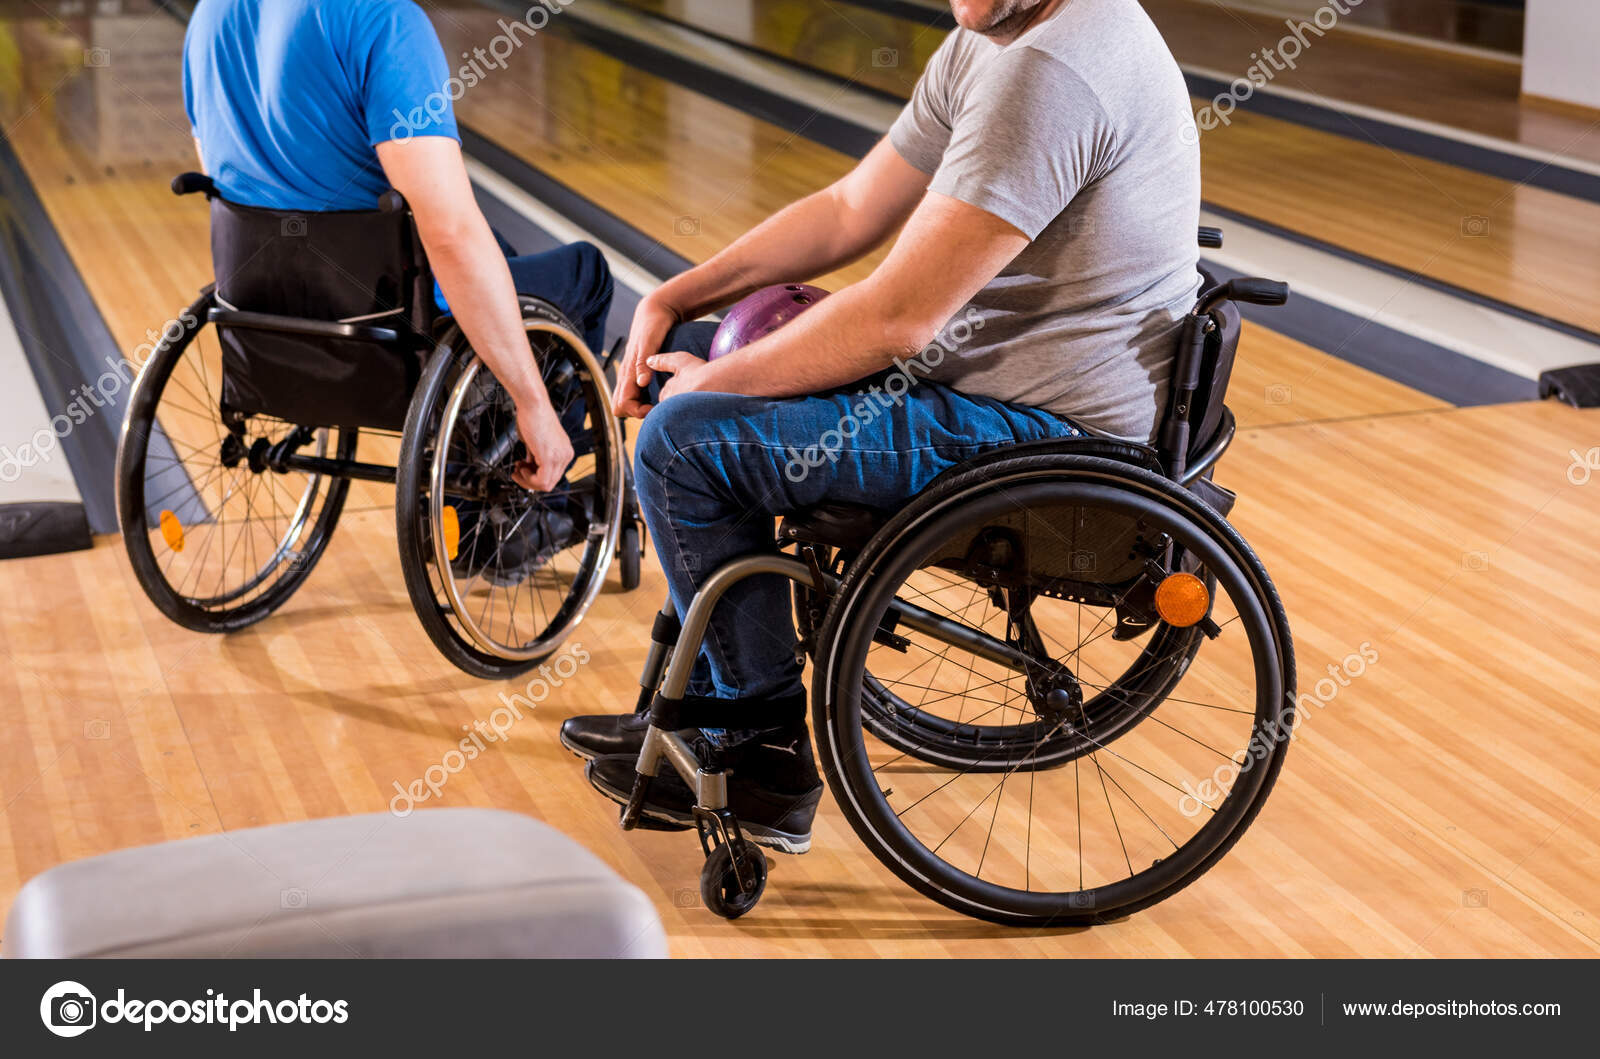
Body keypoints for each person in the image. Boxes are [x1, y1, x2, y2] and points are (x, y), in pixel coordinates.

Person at [562, 0, 1202, 853]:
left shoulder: (1051, 73)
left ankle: (763, 752)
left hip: (1040, 435)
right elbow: (848, 208)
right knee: (697, 373)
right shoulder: (998, 32)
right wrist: (679, 295)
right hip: (992, 396)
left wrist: (703, 388)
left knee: (683, 442)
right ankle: (695, 704)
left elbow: (899, 320)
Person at [182, 0, 611, 515]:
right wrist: (532, 403)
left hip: (264, 312)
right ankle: (535, 512)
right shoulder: (383, 20)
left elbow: (221, 174)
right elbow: (449, 236)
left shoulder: (209, 15)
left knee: (495, 248)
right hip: (381, 315)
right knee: (586, 274)